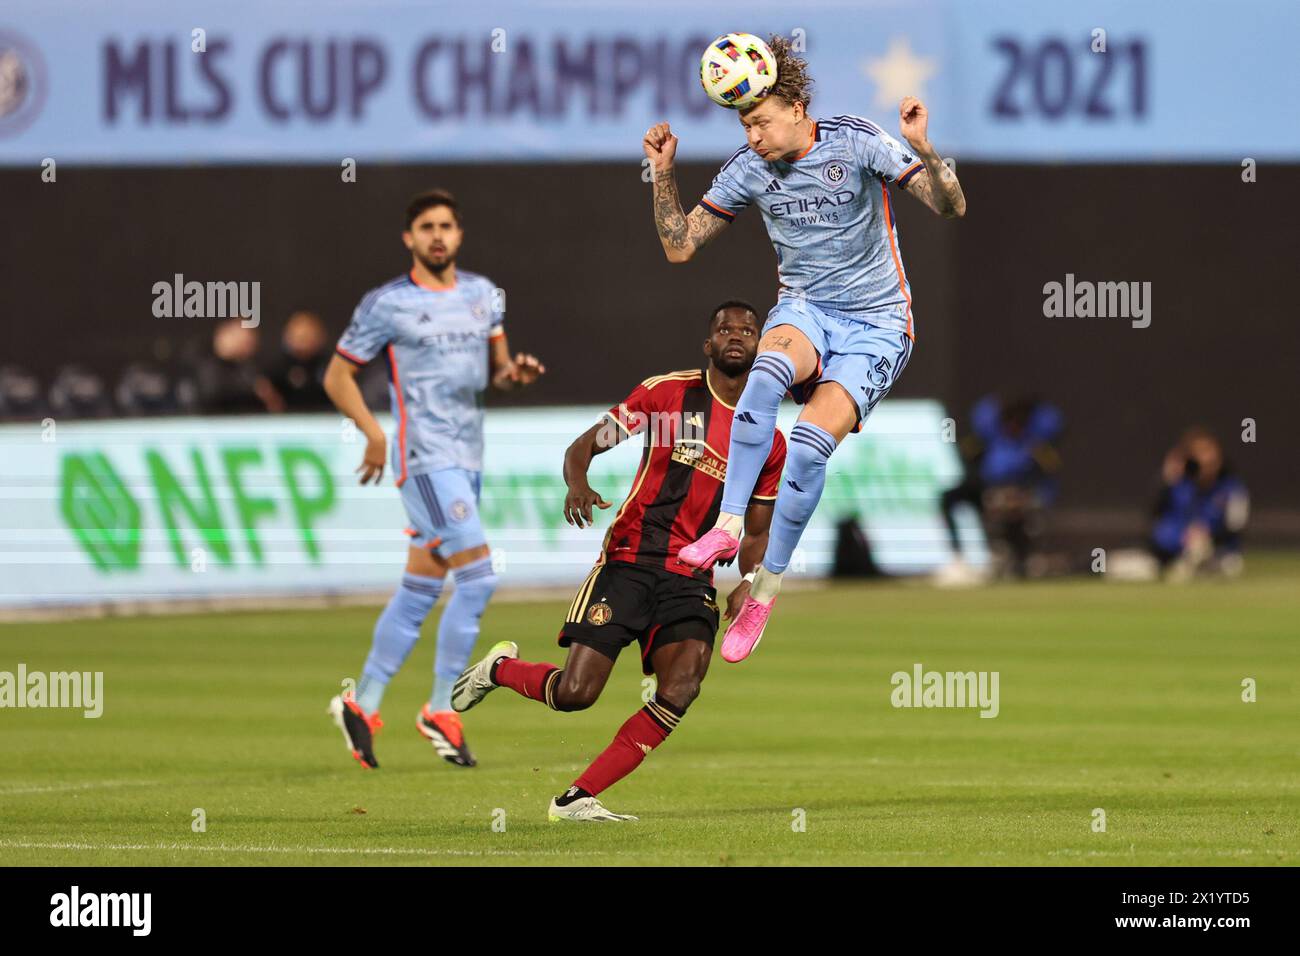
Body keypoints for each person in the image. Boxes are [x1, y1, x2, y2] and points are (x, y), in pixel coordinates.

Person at [643, 35, 966, 661]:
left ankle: (764, 591)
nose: (754, 136)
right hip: (806, 308)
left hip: (878, 323)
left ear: (796, 108)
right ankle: (729, 526)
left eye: (761, 122)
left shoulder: (857, 140)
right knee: (764, 375)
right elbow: (679, 245)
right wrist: (661, 174)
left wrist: (925, 149)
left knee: (811, 448)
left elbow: (949, 207)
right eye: (744, 124)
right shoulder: (748, 168)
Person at [452, 302, 786, 821]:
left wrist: (747, 579)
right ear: (708, 345)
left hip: (691, 578)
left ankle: (576, 798)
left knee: (683, 686)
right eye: (724, 328)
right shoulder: (667, 395)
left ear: (762, 347)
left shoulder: (770, 439)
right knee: (575, 693)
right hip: (630, 561)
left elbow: (758, 531)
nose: (736, 336)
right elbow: (583, 446)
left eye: (748, 329)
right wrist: (578, 483)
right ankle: (499, 668)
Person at [324, 189, 544, 769]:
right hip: (423, 456)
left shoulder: (482, 295)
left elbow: (498, 371)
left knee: (422, 587)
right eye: (426, 227)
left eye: (446, 225)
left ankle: (362, 702)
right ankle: (442, 707)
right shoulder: (387, 304)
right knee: (477, 576)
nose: (437, 235)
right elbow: (338, 376)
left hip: (468, 457)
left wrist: (515, 374)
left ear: (459, 234)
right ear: (409, 239)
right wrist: (373, 433)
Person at [934, 395, 1063, 584]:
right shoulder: (988, 440)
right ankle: (958, 558)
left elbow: (1048, 478)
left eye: (1017, 423)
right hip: (990, 492)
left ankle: (1018, 563)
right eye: (1008, 422)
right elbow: (969, 458)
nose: (1012, 427)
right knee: (950, 497)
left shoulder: (1038, 447)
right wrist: (989, 493)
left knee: (1016, 513)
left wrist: (1028, 498)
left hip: (1021, 498)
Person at [1152, 428, 1249, 579]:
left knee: (1229, 565)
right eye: (1200, 453)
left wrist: (1207, 537)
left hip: (1218, 552)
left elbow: (1235, 527)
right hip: (1179, 551)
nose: (1206, 459)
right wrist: (1167, 481)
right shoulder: (1178, 486)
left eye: (1210, 452)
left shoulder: (1232, 489)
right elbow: (1156, 521)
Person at [265, 311, 332, 411]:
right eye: (299, 336)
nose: (303, 342)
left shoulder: (329, 366)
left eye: (307, 335)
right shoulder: (278, 368)